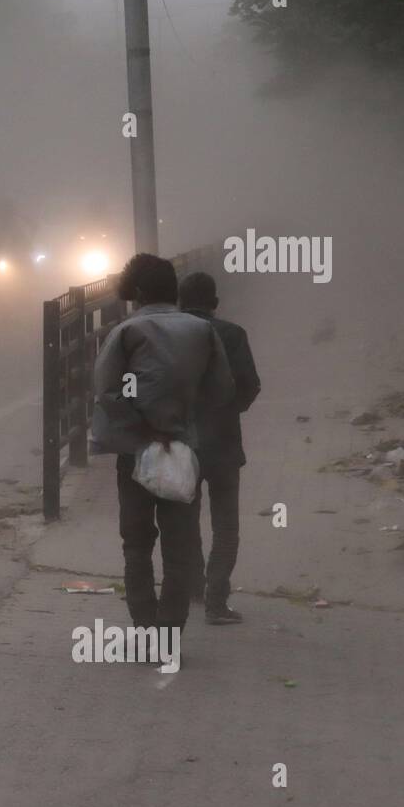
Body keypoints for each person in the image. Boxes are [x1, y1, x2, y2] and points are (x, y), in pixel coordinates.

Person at [90, 253, 235, 639]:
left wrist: (143, 428)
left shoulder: (126, 332)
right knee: (180, 545)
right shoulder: (202, 331)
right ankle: (170, 634)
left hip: (136, 454)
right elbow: (221, 392)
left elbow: (107, 391)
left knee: (137, 544)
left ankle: (145, 629)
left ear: (137, 293)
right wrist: (183, 426)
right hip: (184, 452)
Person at [178, 271, 262, 625]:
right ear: (215, 301)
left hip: (184, 443)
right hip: (225, 443)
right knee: (226, 526)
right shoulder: (232, 334)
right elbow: (251, 385)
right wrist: (229, 410)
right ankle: (216, 601)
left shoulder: (172, 334)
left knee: (186, 519)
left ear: (180, 301)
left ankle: (194, 587)